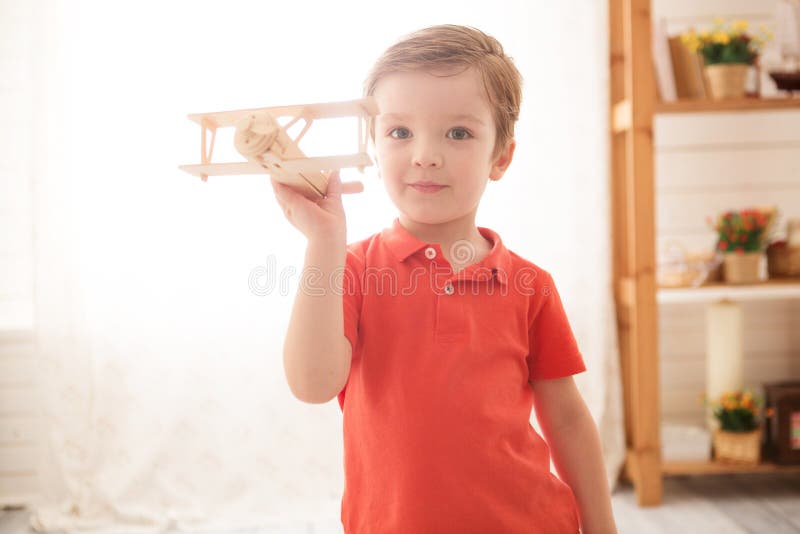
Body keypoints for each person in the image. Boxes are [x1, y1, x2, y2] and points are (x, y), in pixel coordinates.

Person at [271, 24, 617, 534]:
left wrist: (603, 528)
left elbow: (566, 420)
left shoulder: (530, 285)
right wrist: (323, 243)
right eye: (400, 132)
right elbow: (311, 384)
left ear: (501, 156)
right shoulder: (350, 269)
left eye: (458, 133)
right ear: (374, 144)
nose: (424, 154)